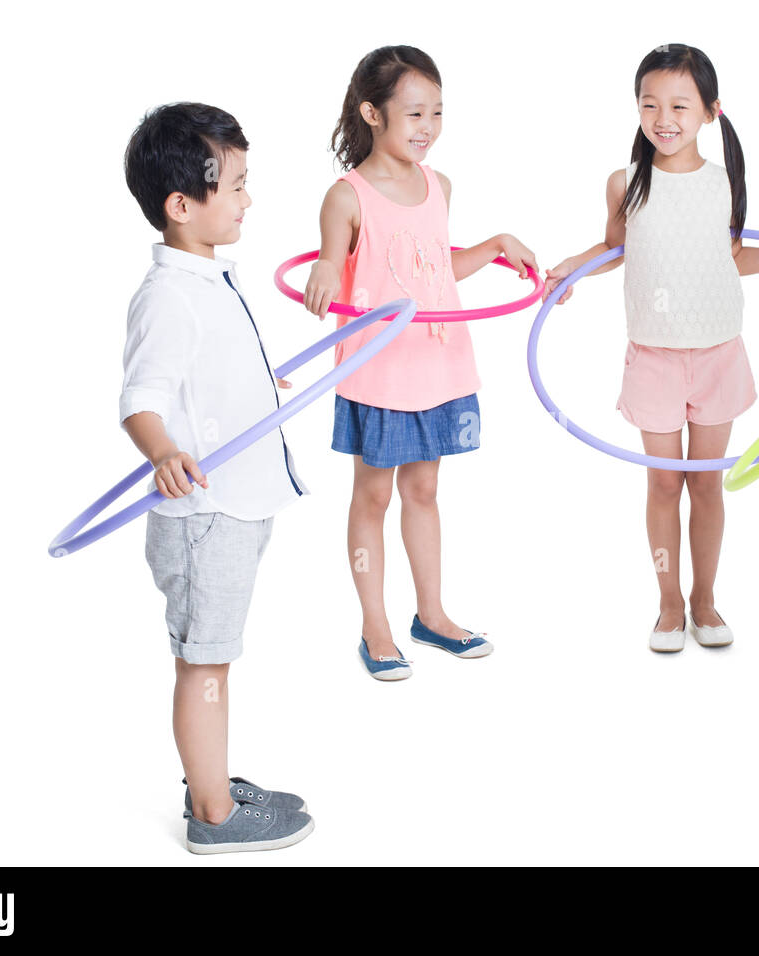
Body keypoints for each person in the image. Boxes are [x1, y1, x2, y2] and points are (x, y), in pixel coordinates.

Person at [543, 42, 759, 653]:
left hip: (719, 354)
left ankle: (706, 599)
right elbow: (613, 252)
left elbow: (733, 257)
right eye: (650, 104)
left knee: (707, 485)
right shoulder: (627, 182)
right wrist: (569, 270)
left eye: (679, 105)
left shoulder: (723, 183)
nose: (663, 118)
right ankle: (669, 603)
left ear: (710, 111)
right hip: (656, 358)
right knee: (665, 484)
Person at [304, 46, 538, 681]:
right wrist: (327, 267)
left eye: (437, 113)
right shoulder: (346, 196)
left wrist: (490, 249)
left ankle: (431, 614)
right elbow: (336, 264)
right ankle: (373, 623)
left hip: (436, 365)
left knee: (425, 488)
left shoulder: (440, 186)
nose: (427, 127)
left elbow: (432, 269)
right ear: (372, 113)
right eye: (414, 114)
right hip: (380, 370)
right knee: (374, 493)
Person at [122, 102, 313, 852]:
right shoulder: (169, 295)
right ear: (182, 205)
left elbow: (214, 375)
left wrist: (264, 391)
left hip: (235, 508)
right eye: (234, 184)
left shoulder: (207, 277)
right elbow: (141, 399)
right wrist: (164, 452)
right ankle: (212, 815)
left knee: (213, 657)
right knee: (208, 663)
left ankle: (212, 777)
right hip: (207, 515)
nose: (247, 198)